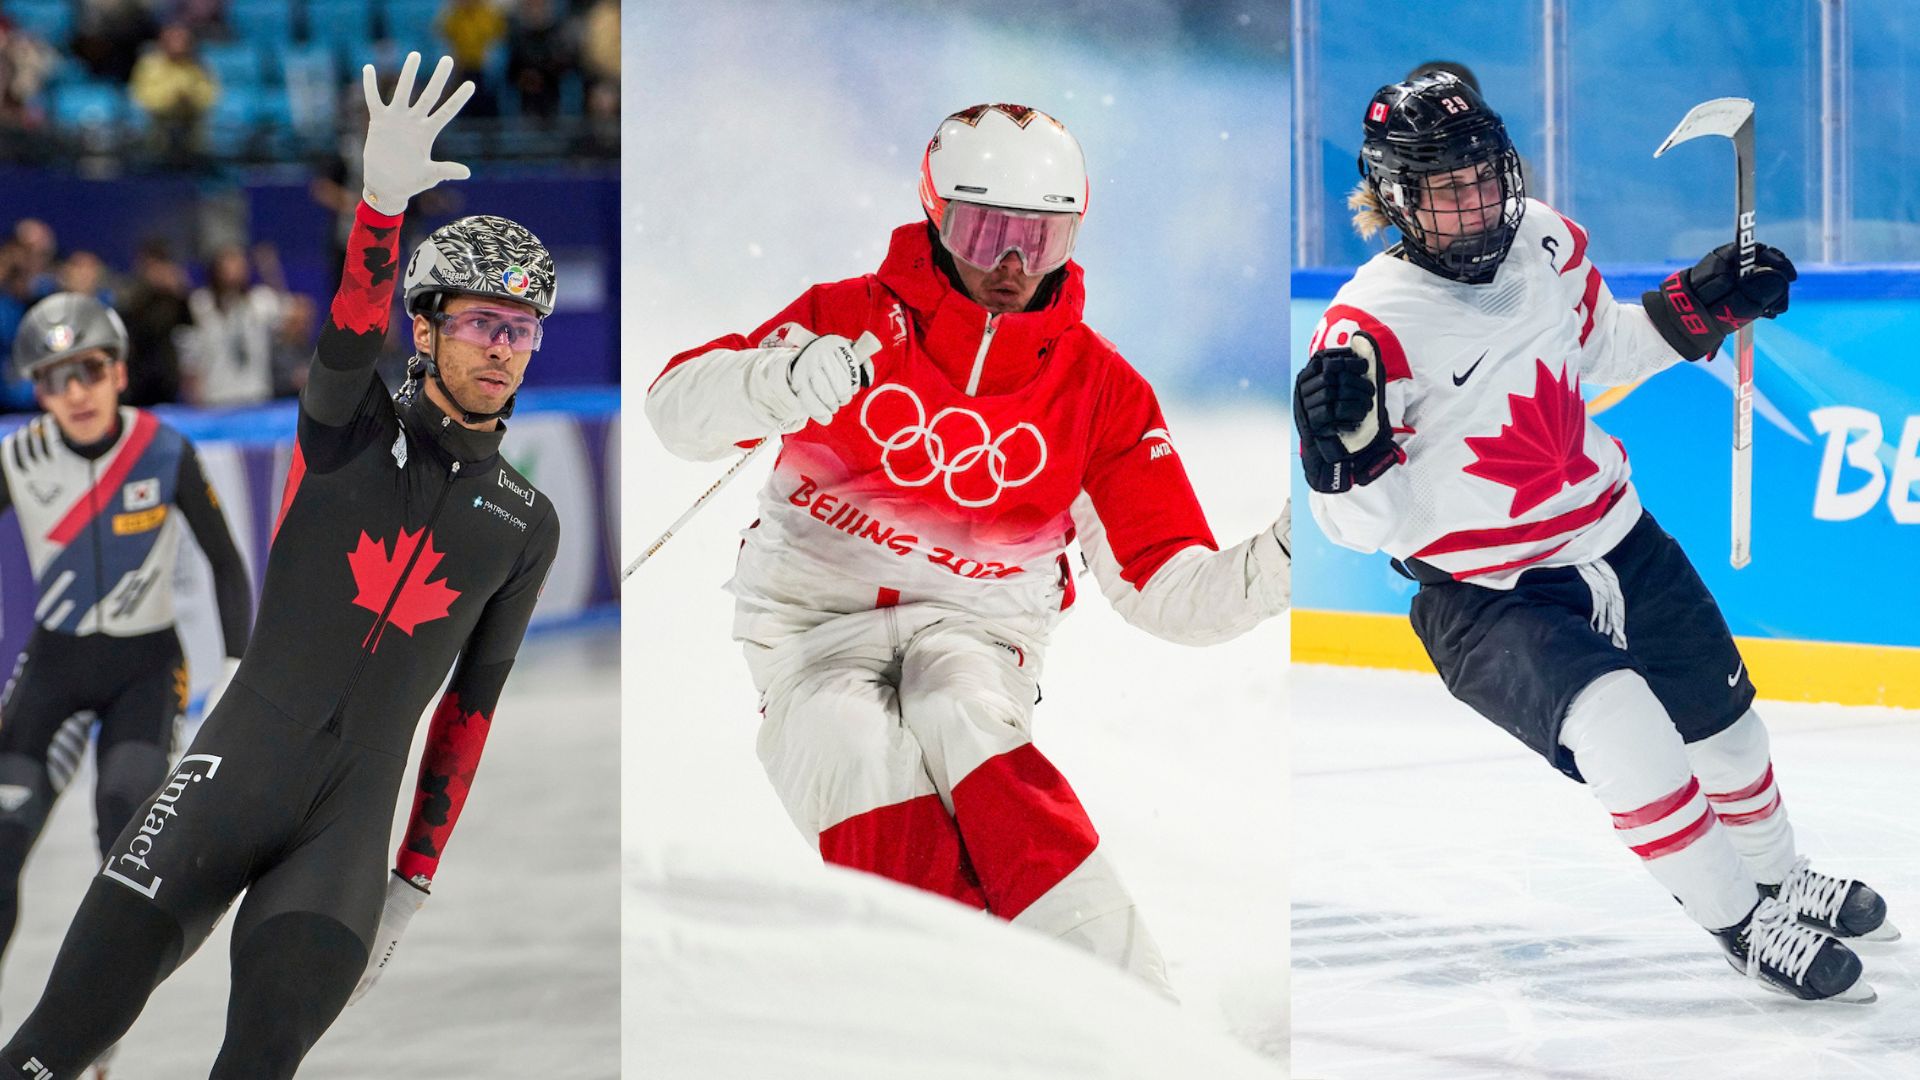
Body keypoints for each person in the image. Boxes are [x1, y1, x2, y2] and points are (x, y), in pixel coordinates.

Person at [0, 52, 560, 1077]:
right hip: (222, 789)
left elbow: (468, 715)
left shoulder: (526, 521)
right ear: (426, 329)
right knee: (49, 1051)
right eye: (482, 321)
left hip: (341, 849)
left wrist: (414, 881)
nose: (503, 349)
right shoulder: (349, 426)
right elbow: (351, 328)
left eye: (523, 330)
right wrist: (380, 208)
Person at [647, 102, 1291, 993]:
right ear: (936, 215)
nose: (1014, 265)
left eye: (1043, 237)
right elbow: (676, 411)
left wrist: (1287, 555)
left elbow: (1169, 585)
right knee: (844, 737)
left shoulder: (1100, 389)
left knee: (958, 706)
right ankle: (961, 998)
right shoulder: (846, 318)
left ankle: (1127, 1004)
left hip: (978, 629)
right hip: (808, 628)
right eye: (986, 231)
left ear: (1074, 234)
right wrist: (777, 378)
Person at [1294, 72, 1892, 1004]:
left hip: (1618, 539)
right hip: (1488, 598)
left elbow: (1603, 347)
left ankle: (1780, 874)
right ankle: (1745, 922)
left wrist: (1704, 305)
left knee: (1728, 732)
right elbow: (1359, 525)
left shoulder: (1544, 239)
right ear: (1394, 200)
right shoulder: (1367, 332)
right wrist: (1340, 458)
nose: (1477, 201)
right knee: (1626, 734)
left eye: (1486, 175)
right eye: (1446, 188)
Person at [0, 293, 252, 1075]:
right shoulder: (18, 459)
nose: (75, 391)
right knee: (2, 841)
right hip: (54, 670)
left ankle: (93, 1024)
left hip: (147, 671)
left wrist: (239, 676)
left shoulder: (166, 449)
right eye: (53, 378)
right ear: (35, 392)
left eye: (90, 370)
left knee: (124, 820)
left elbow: (226, 564)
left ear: (118, 373)